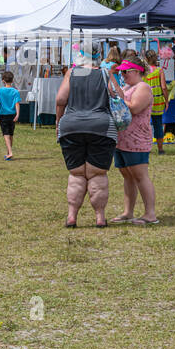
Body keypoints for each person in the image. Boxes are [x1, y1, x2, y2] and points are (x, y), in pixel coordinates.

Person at [55, 52, 120, 229]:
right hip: (101, 127)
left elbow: (60, 99)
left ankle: (71, 216)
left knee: (76, 174)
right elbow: (118, 96)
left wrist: (58, 121)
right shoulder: (106, 73)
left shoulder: (71, 73)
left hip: (71, 126)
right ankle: (100, 217)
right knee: (97, 174)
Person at [108, 52, 157, 225]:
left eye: (125, 72)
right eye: (121, 72)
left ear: (137, 71)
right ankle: (128, 212)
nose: (122, 75)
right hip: (122, 139)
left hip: (137, 140)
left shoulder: (143, 87)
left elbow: (134, 108)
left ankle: (150, 214)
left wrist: (115, 86)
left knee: (140, 176)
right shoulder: (128, 88)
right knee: (127, 176)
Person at [0, 70, 20, 160]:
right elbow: (17, 104)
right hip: (12, 115)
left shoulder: (0, 91)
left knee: (6, 135)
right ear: (12, 80)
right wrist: (18, 114)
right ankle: (8, 153)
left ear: (3, 81)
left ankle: (10, 152)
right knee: (10, 134)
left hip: (3, 115)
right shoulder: (15, 92)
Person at [142, 50, 167, 155]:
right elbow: (164, 87)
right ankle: (160, 149)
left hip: (145, 100)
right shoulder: (159, 71)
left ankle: (145, 148)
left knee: (145, 125)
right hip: (157, 101)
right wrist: (166, 100)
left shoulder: (143, 71)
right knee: (158, 124)